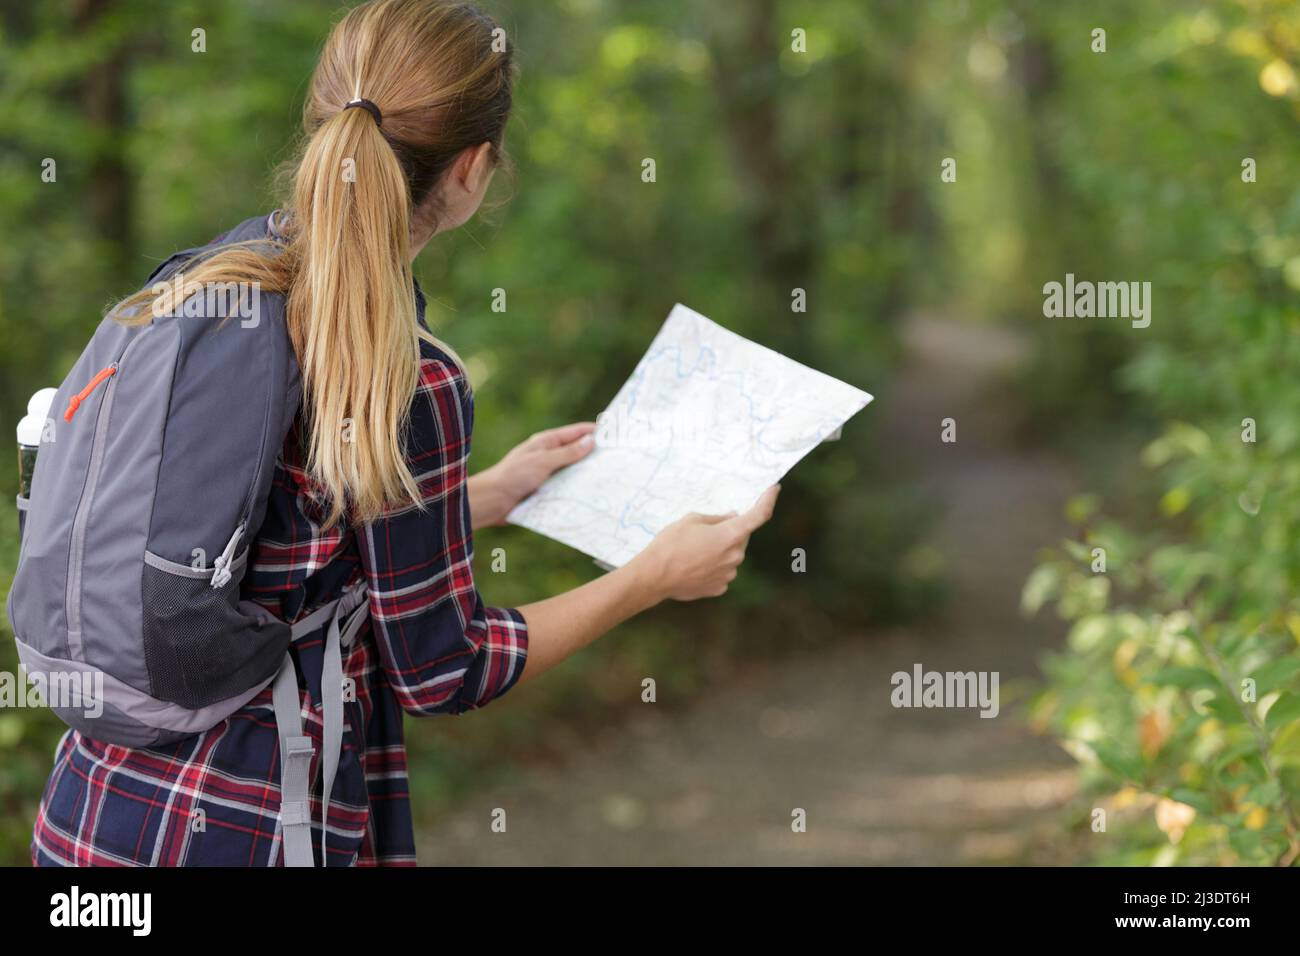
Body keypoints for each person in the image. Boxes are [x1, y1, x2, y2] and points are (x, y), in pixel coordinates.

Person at [31, 0, 777, 867]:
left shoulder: (210, 285)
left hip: (91, 815)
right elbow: (444, 669)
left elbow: (279, 538)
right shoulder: (406, 377)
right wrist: (650, 578)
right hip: (250, 826)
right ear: (471, 171)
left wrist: (482, 495)